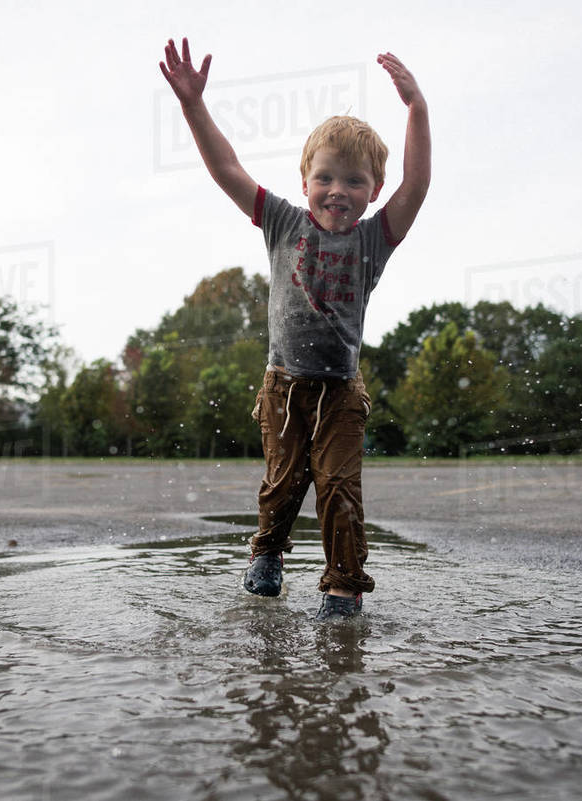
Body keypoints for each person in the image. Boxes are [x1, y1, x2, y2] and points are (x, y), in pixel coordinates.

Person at [160, 37, 431, 619]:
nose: (340, 190)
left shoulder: (372, 240)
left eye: (355, 181)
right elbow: (227, 169)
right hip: (283, 388)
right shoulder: (282, 223)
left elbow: (417, 187)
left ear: (373, 191)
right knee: (282, 487)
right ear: (305, 179)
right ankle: (268, 551)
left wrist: (416, 109)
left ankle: (342, 586)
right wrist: (192, 106)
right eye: (327, 177)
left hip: (340, 392)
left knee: (337, 487)